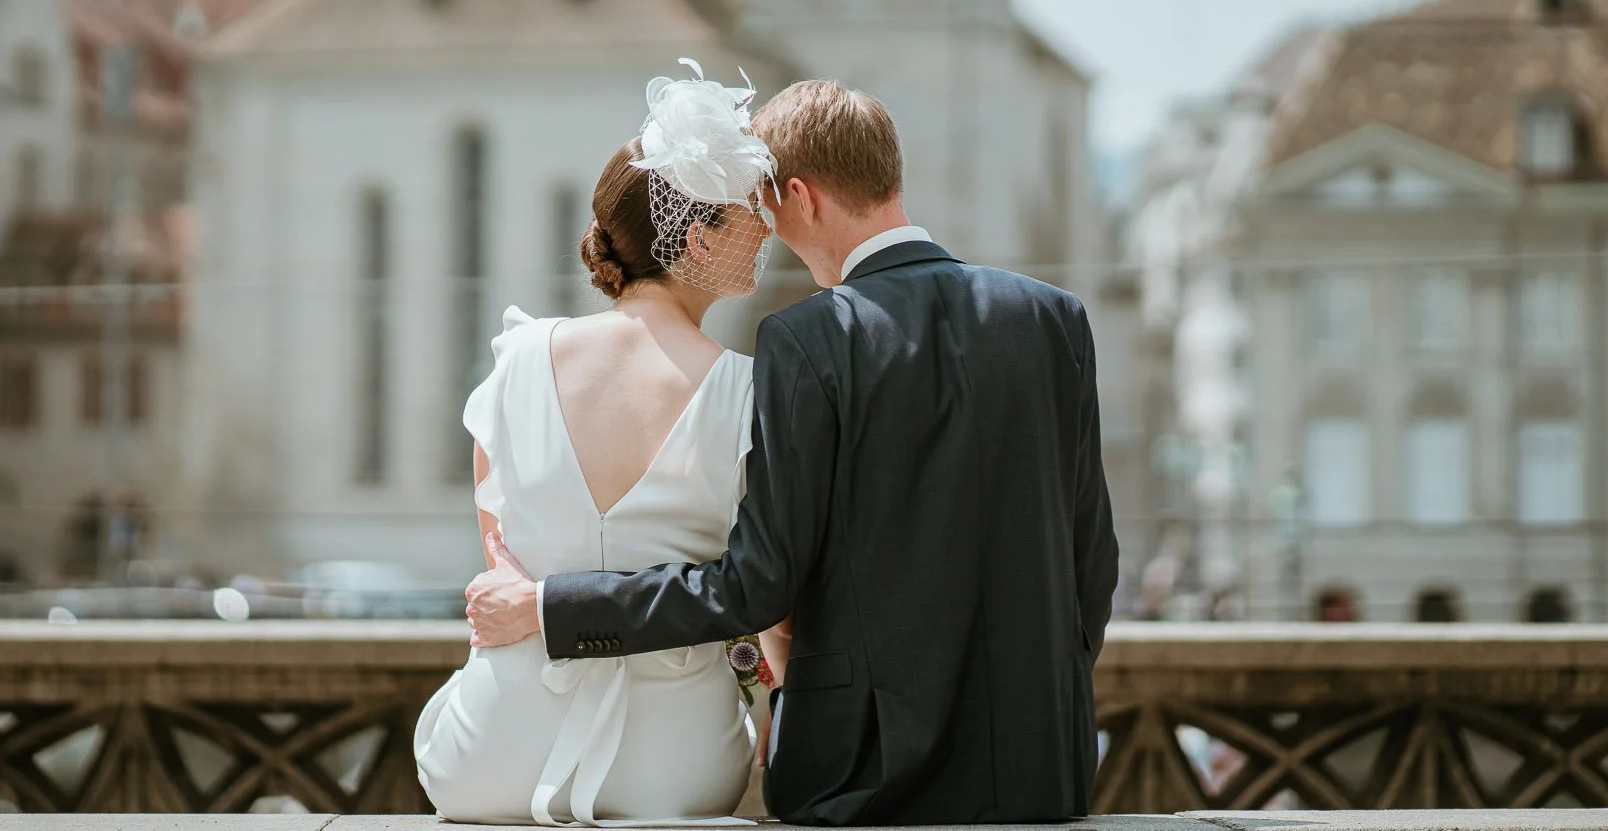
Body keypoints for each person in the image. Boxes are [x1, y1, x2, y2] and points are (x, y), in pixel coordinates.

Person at [468, 79, 1120, 826]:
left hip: (859, 773)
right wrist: (1043, 697)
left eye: (771, 205)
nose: (768, 229)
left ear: (804, 196)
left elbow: (757, 586)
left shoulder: (809, 338)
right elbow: (1092, 559)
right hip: (1038, 766)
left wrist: (552, 606)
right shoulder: (1052, 318)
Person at [414, 62, 785, 825]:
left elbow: (500, 560)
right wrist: (766, 684)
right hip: (678, 767)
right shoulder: (749, 391)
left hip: (493, 751)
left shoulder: (517, 359)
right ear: (696, 233)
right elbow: (764, 597)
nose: (766, 229)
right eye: (746, 211)